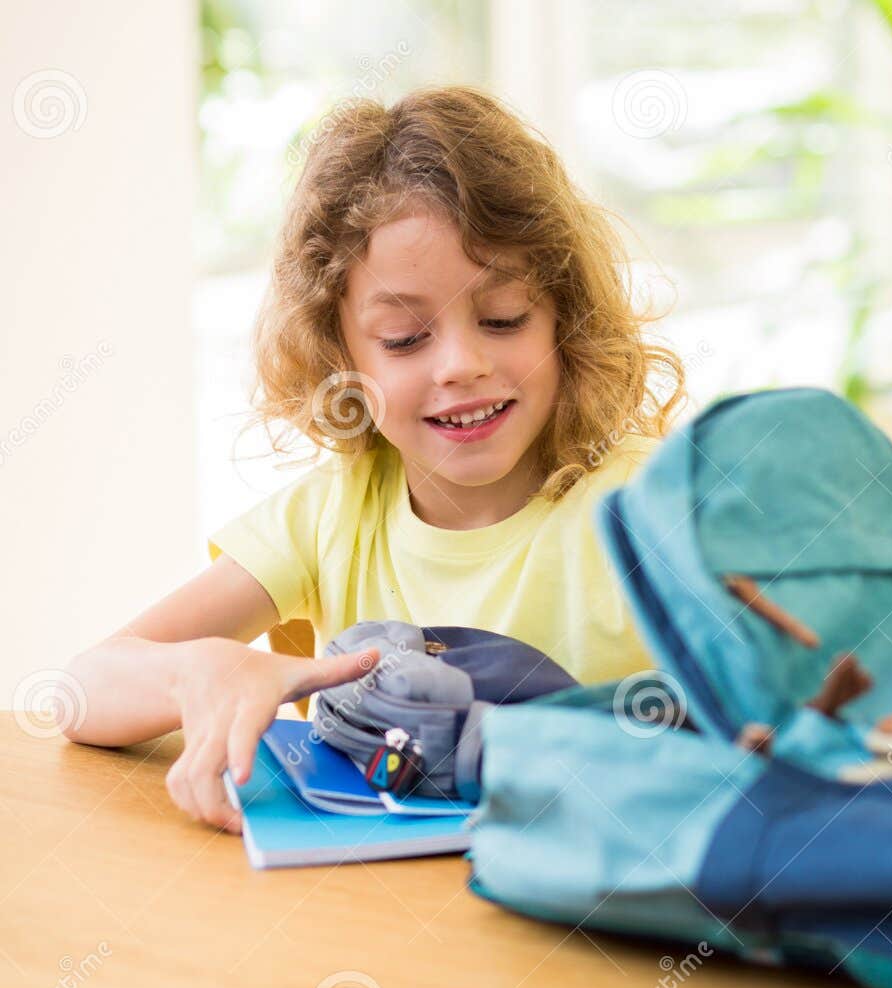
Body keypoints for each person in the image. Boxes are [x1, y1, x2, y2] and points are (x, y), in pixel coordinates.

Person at [63, 86, 686, 834]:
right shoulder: (331, 511)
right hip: (370, 929)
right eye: (403, 338)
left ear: (563, 315)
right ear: (340, 354)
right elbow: (80, 691)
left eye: (503, 318)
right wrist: (199, 671)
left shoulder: (653, 503)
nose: (461, 363)